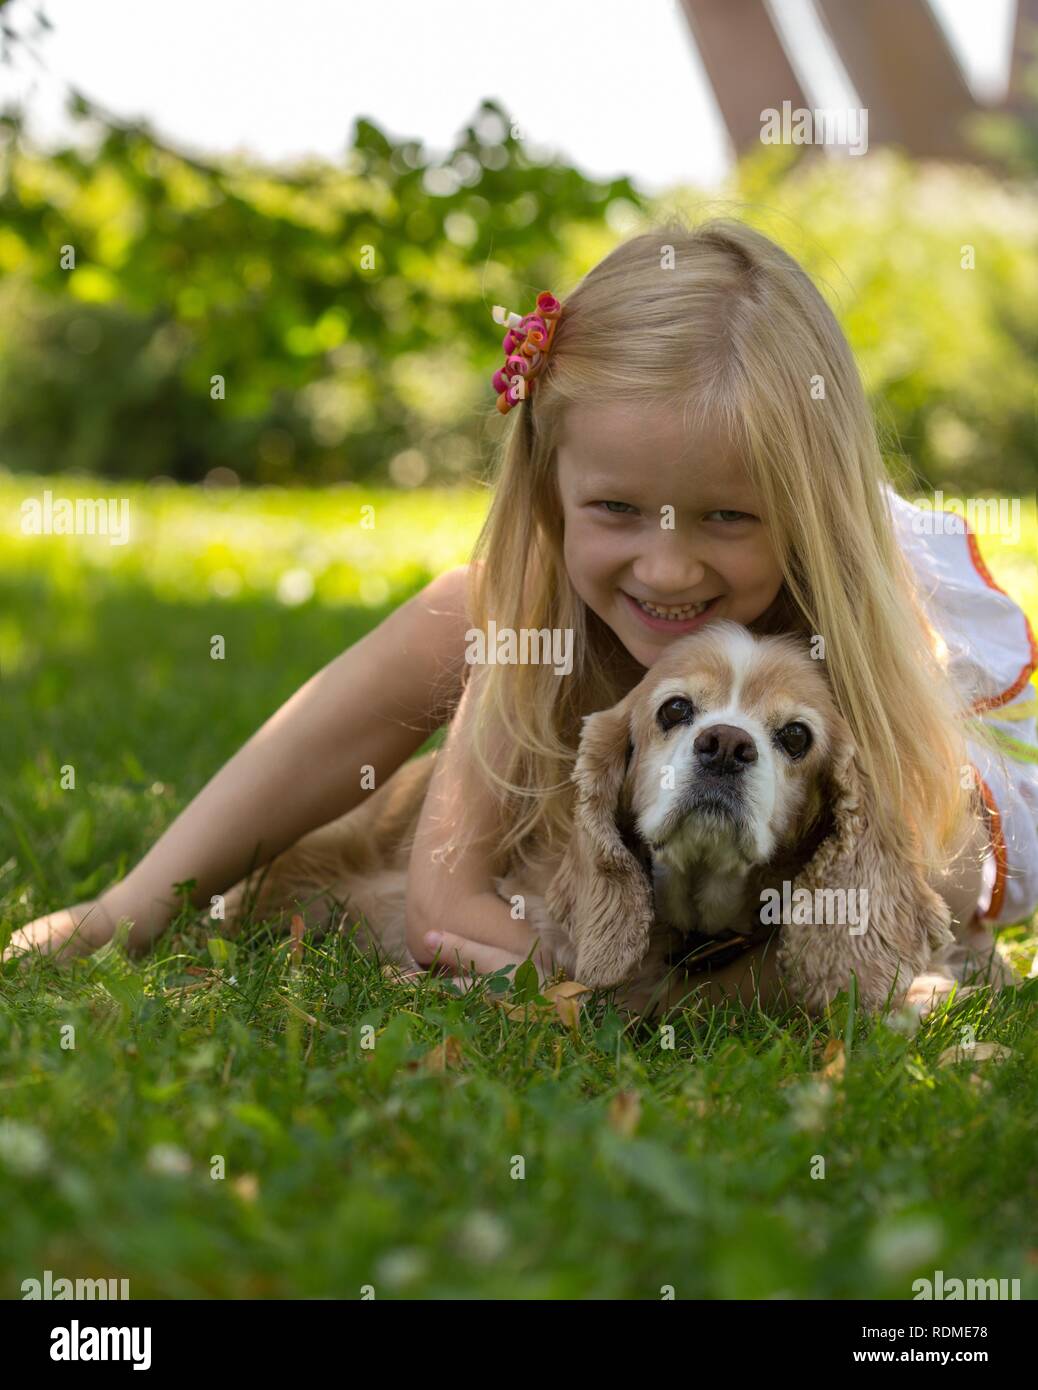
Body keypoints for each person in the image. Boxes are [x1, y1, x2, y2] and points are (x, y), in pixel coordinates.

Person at [10, 218, 1037, 1003]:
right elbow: (445, 907)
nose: (668, 568)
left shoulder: (876, 639)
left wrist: (692, 999)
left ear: (808, 512)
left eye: (727, 516)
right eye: (616, 510)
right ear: (550, 487)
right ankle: (129, 903)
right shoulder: (533, 601)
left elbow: (901, 913)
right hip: (589, 782)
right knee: (457, 614)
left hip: (934, 784)